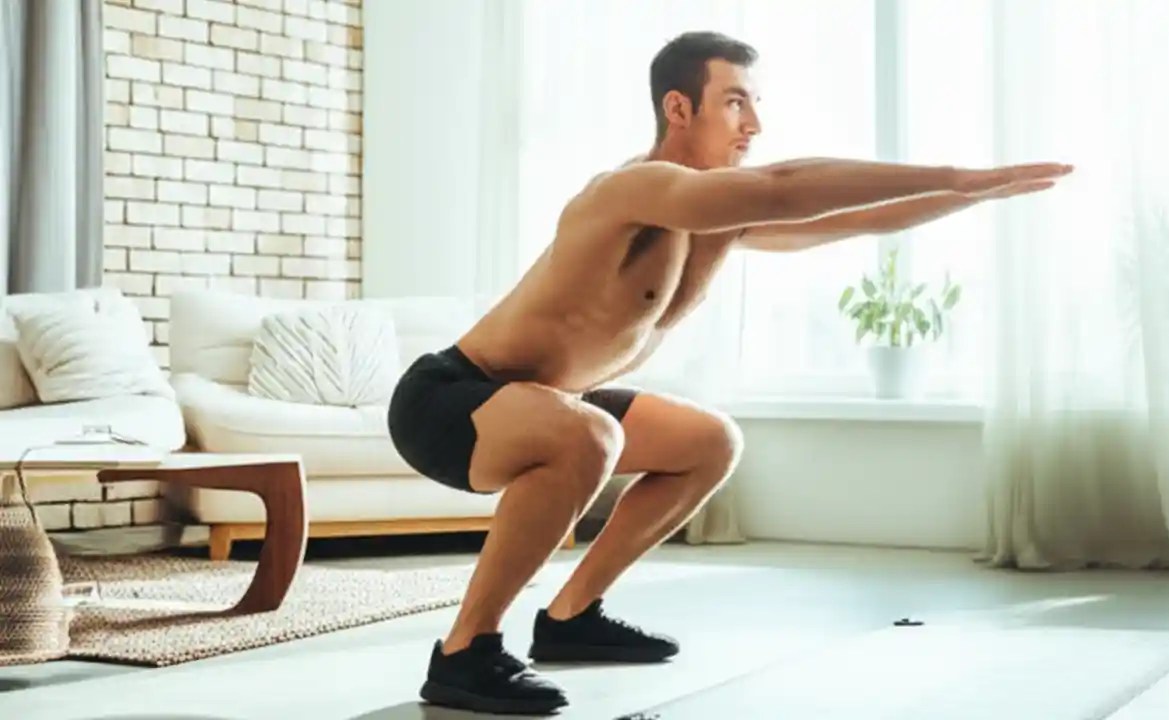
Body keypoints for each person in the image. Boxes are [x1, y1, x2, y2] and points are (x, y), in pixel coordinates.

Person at [387, 30, 1073, 716]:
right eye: (736, 102)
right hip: (449, 399)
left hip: (545, 398)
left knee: (709, 442)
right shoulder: (632, 189)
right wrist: (954, 174)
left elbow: (860, 215)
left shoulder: (719, 220)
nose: (756, 125)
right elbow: (782, 187)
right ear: (679, 109)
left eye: (756, 104)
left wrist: (978, 194)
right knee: (590, 436)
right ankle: (464, 652)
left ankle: (571, 616)